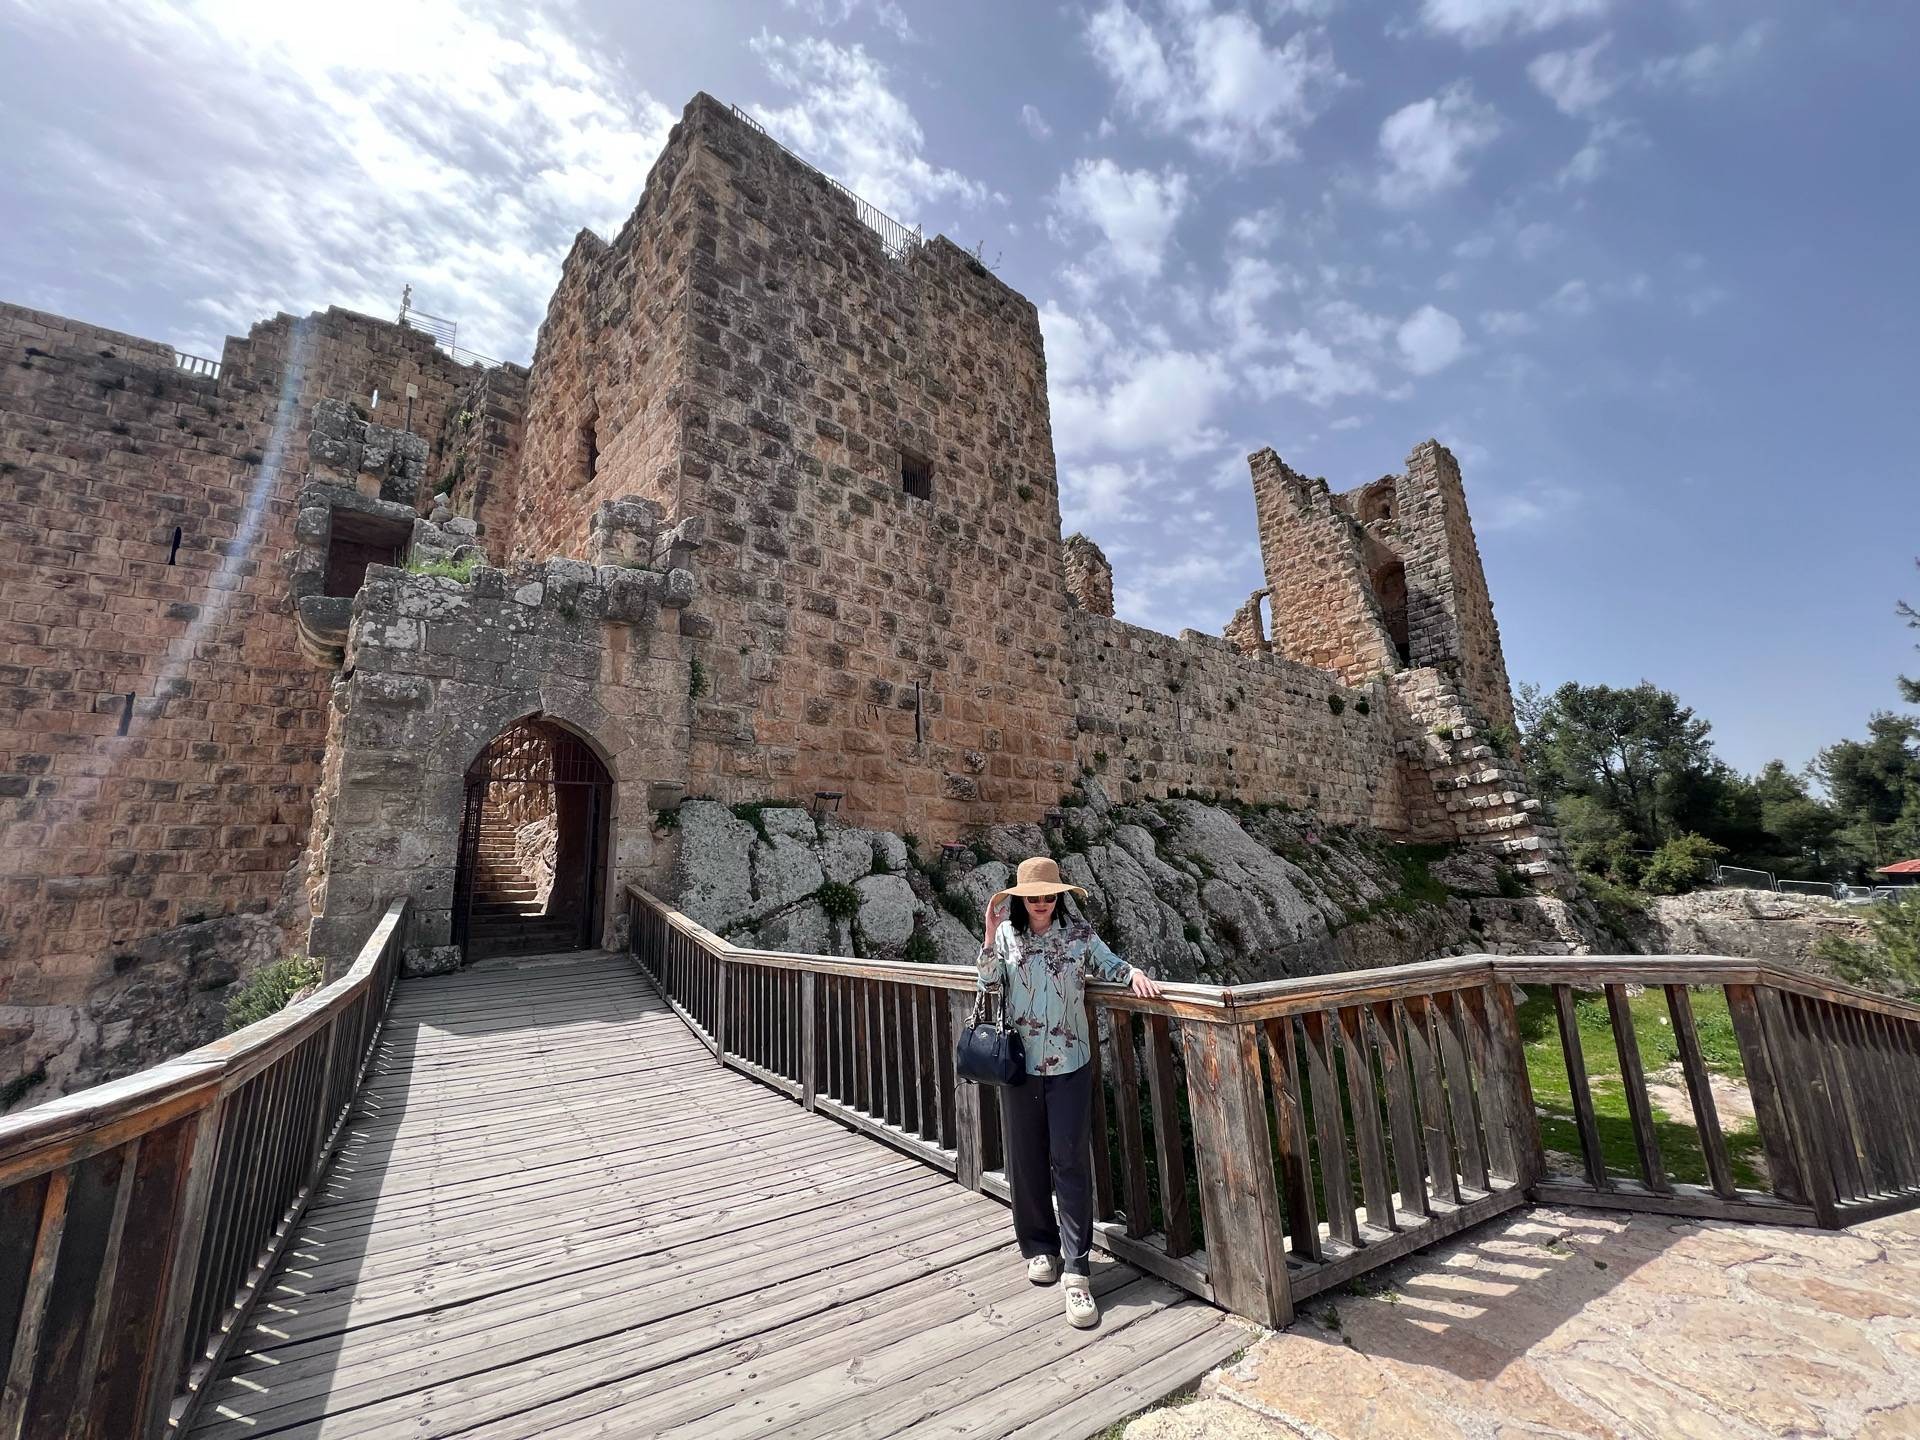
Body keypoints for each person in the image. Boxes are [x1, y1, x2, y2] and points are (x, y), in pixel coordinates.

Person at [977, 855, 1162, 1328]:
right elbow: (987, 981)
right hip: (1020, 1066)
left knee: (1070, 1160)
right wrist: (988, 932)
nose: (1041, 903)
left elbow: (1110, 962)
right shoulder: (1007, 936)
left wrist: (1134, 974)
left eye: (1048, 895)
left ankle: (1077, 1270)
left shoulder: (1078, 935)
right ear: (1021, 901)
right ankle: (1039, 1248)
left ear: (1059, 896)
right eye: (1033, 897)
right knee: (1026, 1159)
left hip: (1069, 1064)